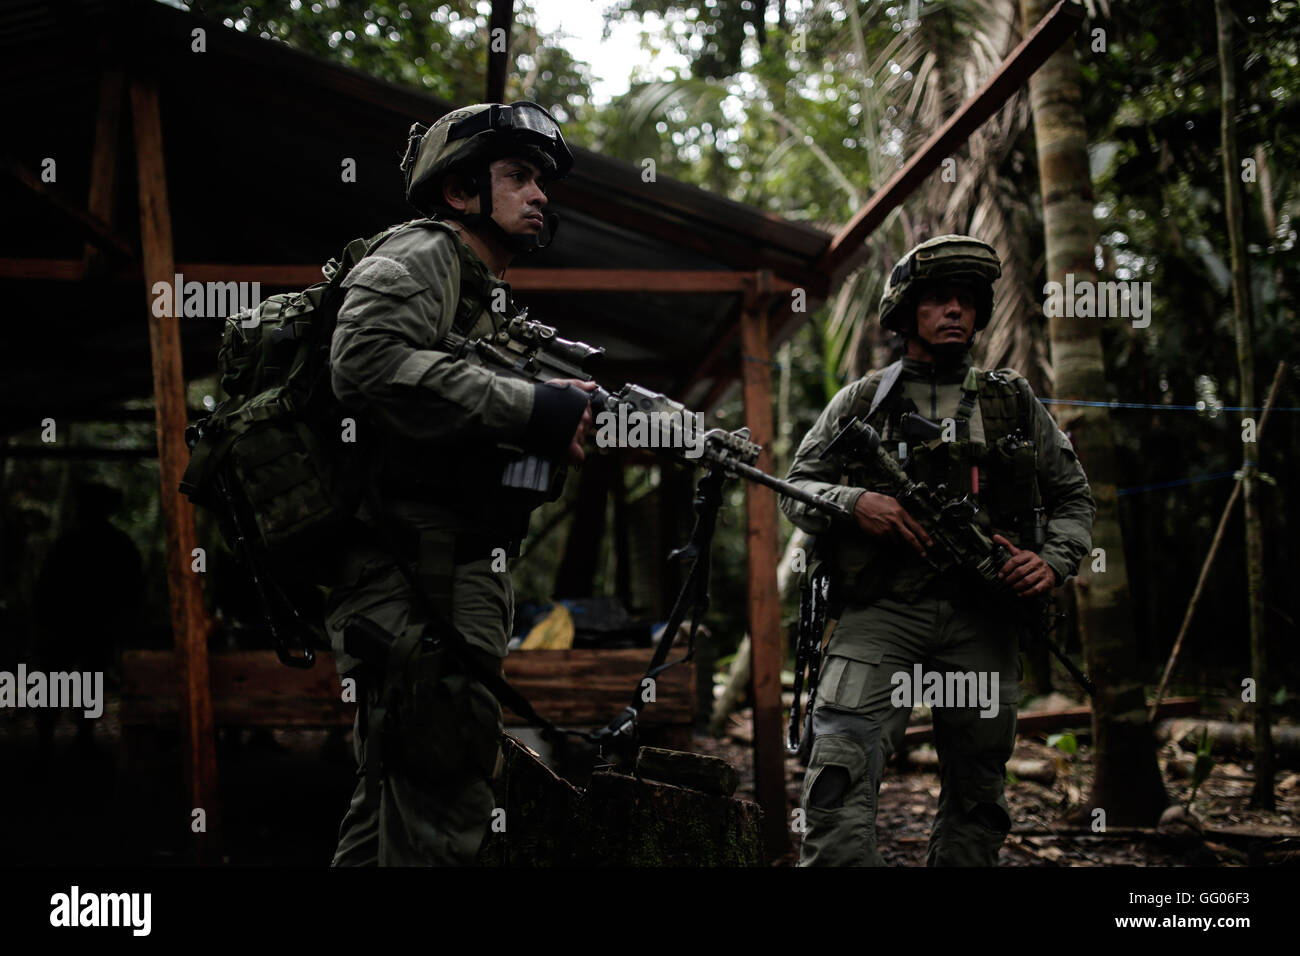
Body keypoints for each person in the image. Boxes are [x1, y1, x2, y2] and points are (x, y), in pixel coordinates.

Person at [323, 102, 595, 866]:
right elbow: (363, 362)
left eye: (543, 180)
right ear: (458, 191)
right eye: (517, 176)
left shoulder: (477, 291)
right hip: (415, 573)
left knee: (393, 803)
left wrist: (548, 403)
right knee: (445, 799)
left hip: (434, 571)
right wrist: (531, 405)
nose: (540, 194)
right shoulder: (426, 252)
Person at [779, 235, 1096, 866]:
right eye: (937, 301)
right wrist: (854, 504)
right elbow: (795, 489)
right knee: (838, 770)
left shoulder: (1011, 400)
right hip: (881, 613)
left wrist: (1054, 562)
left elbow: (1073, 499)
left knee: (977, 795)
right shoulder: (864, 400)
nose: (955, 312)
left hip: (983, 617)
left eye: (966, 301)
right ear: (906, 313)